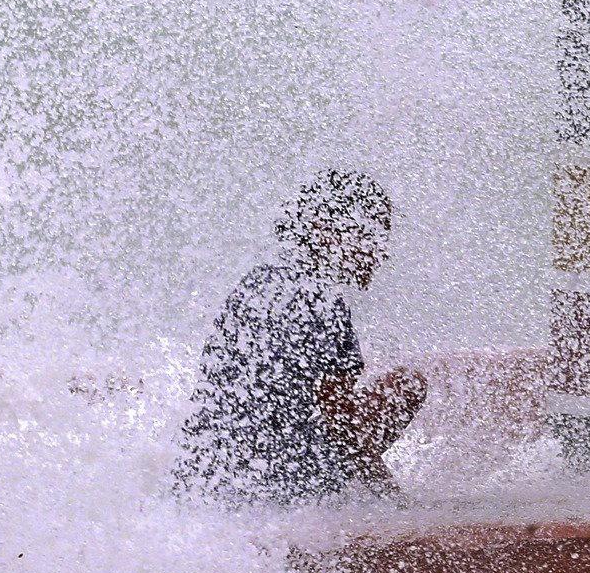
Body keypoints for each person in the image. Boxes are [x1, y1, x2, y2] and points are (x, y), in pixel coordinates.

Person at [175, 169, 428, 504]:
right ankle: (312, 499)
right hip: (274, 482)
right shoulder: (322, 301)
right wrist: (396, 501)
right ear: (323, 230)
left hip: (204, 469)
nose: (379, 252)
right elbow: (343, 426)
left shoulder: (258, 282)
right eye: (370, 235)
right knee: (407, 385)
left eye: (382, 238)